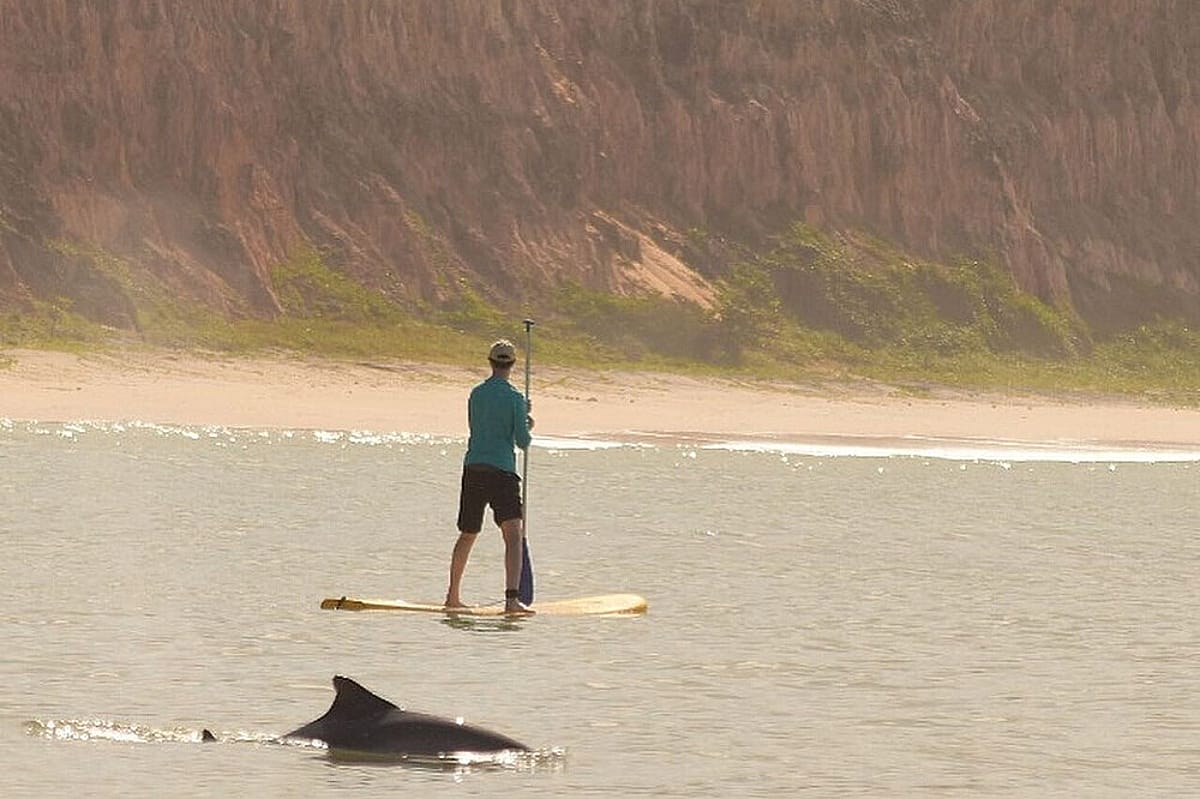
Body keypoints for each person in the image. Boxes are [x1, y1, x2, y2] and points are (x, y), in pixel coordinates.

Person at [444, 338, 534, 613]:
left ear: (491, 362)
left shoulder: (476, 393)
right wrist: (526, 421)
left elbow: (478, 426)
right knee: (513, 535)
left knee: (468, 532)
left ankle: (452, 596)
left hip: (473, 468)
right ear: (513, 364)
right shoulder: (515, 398)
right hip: (502, 471)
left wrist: (518, 416)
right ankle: (511, 600)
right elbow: (522, 441)